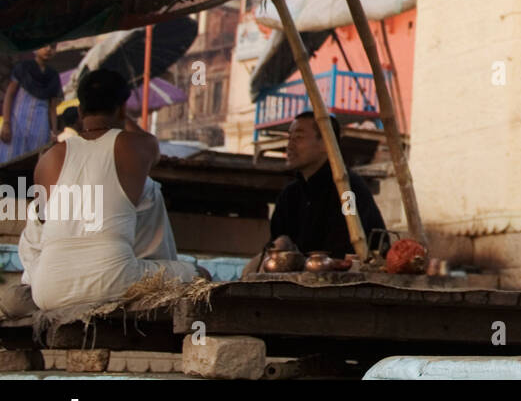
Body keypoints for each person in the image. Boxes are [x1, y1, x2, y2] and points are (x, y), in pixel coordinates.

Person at [20, 68, 205, 313]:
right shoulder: (138, 146)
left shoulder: (49, 158)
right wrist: (122, 117)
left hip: (48, 289)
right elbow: (153, 149)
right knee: (200, 273)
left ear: (80, 110)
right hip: (112, 280)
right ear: (122, 108)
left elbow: (39, 222)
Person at [251, 111, 386, 269]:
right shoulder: (290, 195)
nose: (289, 146)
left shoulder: (349, 190)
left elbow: (346, 250)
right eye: (290, 138)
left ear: (326, 143)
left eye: (299, 138)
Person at [0, 46, 60, 165]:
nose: (48, 49)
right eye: (44, 45)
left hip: (40, 127)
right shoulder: (22, 68)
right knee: (10, 163)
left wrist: (54, 132)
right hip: (17, 125)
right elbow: (9, 96)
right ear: (35, 48)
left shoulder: (53, 75)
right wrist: (6, 123)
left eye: (53, 47)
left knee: (36, 164)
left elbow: (52, 108)